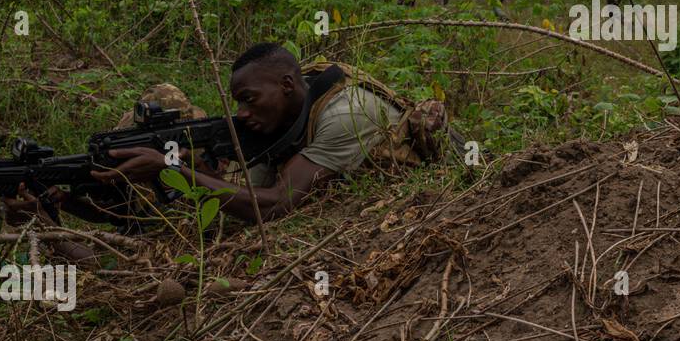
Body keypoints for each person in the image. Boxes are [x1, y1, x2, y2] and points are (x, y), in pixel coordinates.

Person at [82, 44, 448, 224]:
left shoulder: (347, 113)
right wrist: (190, 165)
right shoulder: (281, 121)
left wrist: (171, 170)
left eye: (249, 100)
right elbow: (241, 205)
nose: (242, 114)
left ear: (287, 84)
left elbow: (275, 204)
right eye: (238, 103)